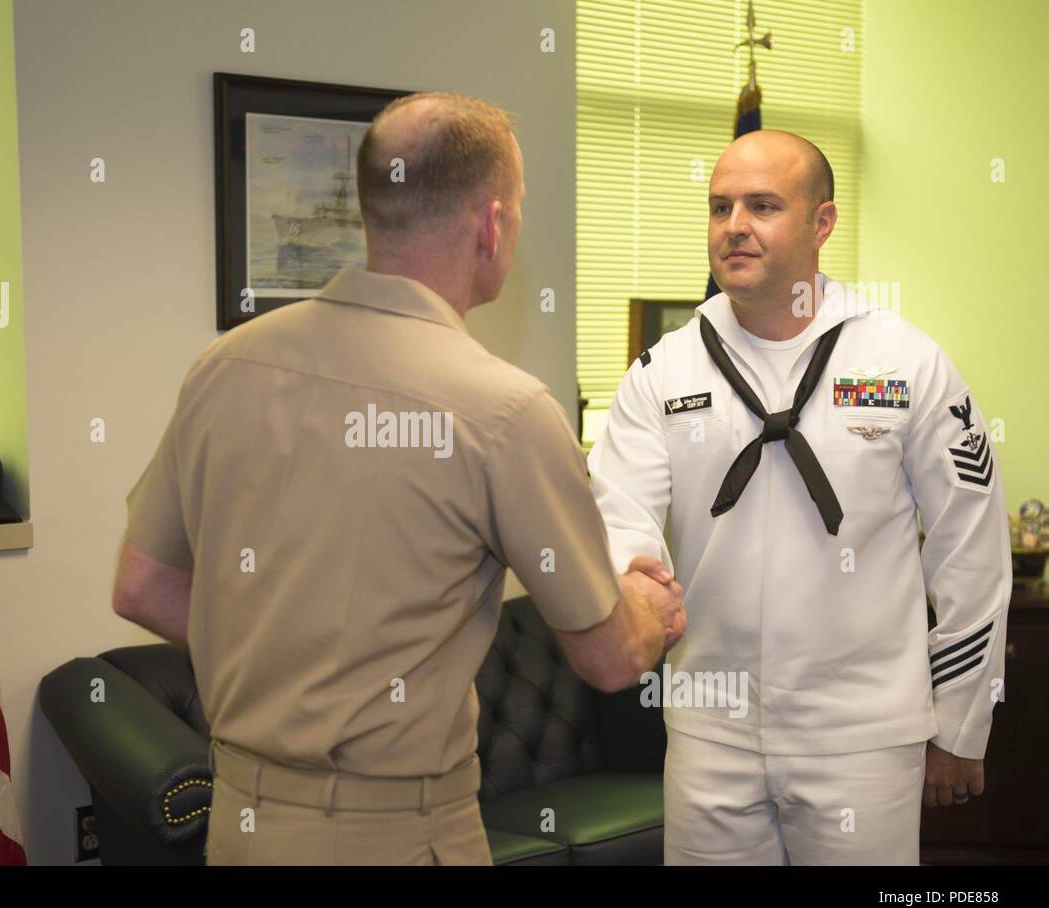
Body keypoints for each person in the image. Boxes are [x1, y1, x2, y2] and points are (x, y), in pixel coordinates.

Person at [112, 91, 683, 866]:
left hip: (241, 825)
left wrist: (282, 651)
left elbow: (141, 585)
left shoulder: (224, 367)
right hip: (395, 834)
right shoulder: (503, 410)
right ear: (491, 224)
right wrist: (647, 606)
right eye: (515, 210)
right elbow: (610, 657)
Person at [588, 129, 1012, 865]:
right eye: (720, 207)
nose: (734, 226)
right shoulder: (662, 371)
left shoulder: (903, 361)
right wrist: (634, 580)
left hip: (863, 736)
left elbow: (970, 547)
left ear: (822, 223)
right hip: (708, 730)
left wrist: (960, 721)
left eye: (762, 205)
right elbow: (619, 515)